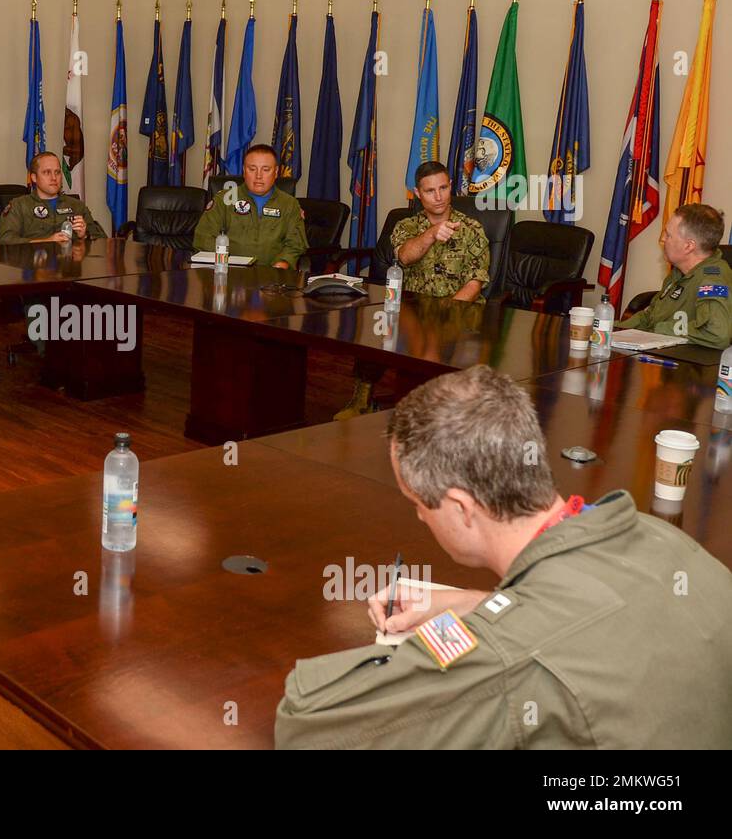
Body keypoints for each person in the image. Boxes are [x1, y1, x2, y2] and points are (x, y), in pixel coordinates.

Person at [275, 365, 732, 749]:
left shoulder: (506, 656)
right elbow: (599, 618)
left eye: (417, 502)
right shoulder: (658, 535)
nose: (418, 518)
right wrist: (470, 601)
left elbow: (306, 724)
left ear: (460, 508)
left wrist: (487, 624)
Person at [335, 161, 490, 420]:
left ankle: (441, 414)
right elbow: (405, 257)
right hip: (412, 310)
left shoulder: (472, 228)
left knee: (438, 345)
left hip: (459, 310)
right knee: (376, 330)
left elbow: (475, 282)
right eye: (430, 191)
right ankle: (362, 399)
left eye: (443, 188)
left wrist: (446, 314)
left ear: (451, 187)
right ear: (417, 193)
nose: (439, 196)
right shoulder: (405, 226)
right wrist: (431, 234)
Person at [616, 202, 732, 350]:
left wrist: (663, 329)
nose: (663, 239)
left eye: (668, 235)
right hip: (660, 352)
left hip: (688, 366)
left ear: (689, 246)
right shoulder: (678, 272)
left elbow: (717, 333)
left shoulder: (713, 279)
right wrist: (613, 329)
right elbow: (651, 317)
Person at [194, 144, 308, 269]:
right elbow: (204, 238)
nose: (258, 176)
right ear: (244, 170)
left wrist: (283, 263)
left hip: (273, 277)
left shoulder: (289, 204)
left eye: (265, 170)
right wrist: (226, 263)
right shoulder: (224, 200)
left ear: (275, 172)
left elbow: (295, 244)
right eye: (252, 169)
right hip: (229, 273)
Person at [0, 152, 107, 243]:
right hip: (33, 264)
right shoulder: (19, 205)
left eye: (57, 172)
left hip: (69, 265)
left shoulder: (76, 205)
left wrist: (84, 235)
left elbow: (102, 240)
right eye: (47, 172)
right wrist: (46, 241)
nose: (54, 178)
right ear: (34, 177)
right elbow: (5, 240)